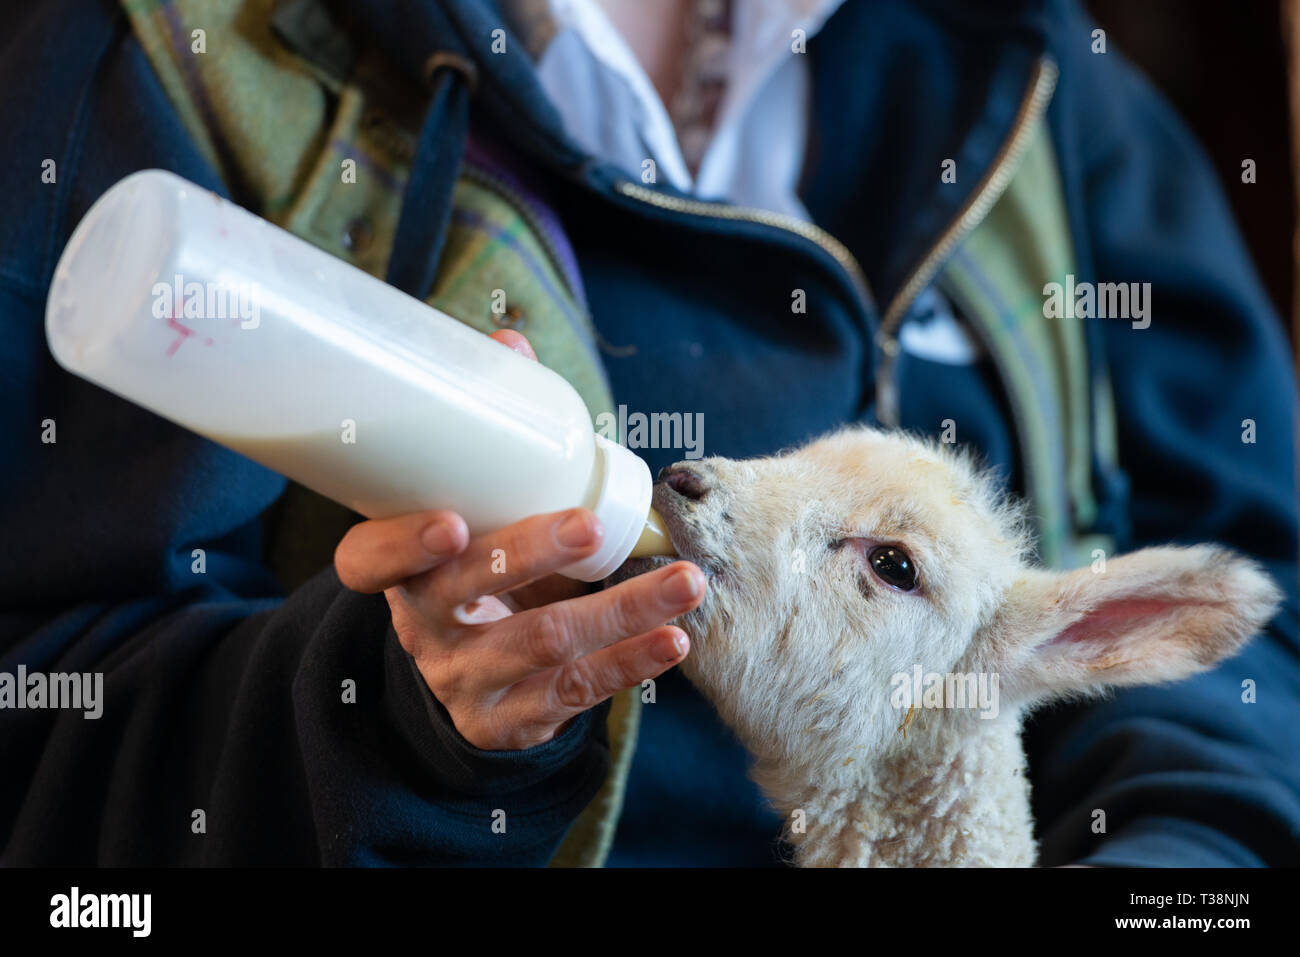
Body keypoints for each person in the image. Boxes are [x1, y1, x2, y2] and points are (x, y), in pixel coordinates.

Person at [1, 0, 1296, 867]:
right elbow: (40, 722)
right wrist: (397, 731)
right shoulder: (177, 60)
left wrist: (1164, 866)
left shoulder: (1030, 69)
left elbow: (1251, 617)